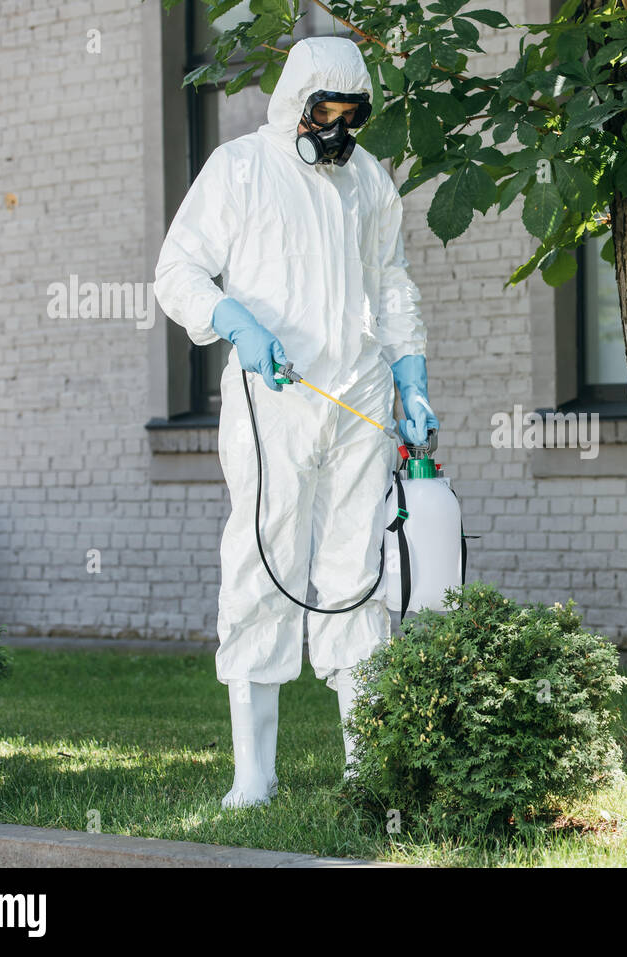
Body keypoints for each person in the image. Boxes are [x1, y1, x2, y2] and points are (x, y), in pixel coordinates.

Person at [154, 36, 438, 808]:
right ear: (295, 104)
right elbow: (175, 269)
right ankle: (255, 773)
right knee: (263, 562)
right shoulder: (241, 169)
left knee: (359, 573)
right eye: (326, 111)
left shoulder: (369, 180)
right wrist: (233, 320)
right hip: (272, 400)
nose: (339, 128)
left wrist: (410, 373)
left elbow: (392, 281)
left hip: (360, 399)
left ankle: (364, 765)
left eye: (353, 114)